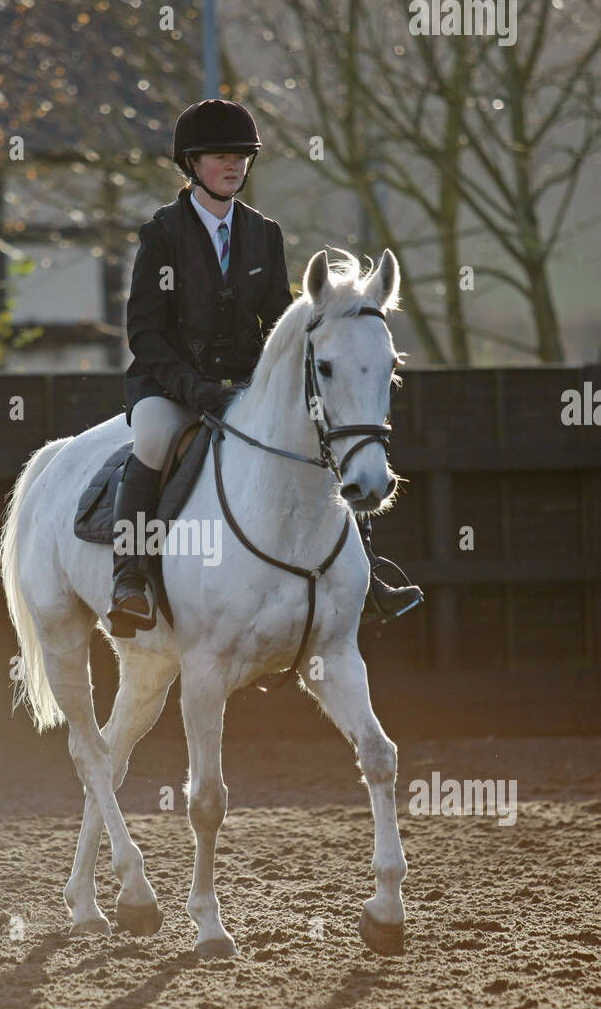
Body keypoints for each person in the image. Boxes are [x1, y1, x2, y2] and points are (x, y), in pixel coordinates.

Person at [107, 97, 423, 638]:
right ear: (191, 164)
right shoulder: (162, 234)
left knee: (322, 439)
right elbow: (145, 333)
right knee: (155, 440)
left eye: (242, 157)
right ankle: (130, 577)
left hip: (247, 385)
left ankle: (367, 578)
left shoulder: (263, 233)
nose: (233, 166)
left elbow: (280, 321)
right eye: (219, 156)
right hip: (170, 384)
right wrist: (193, 387)